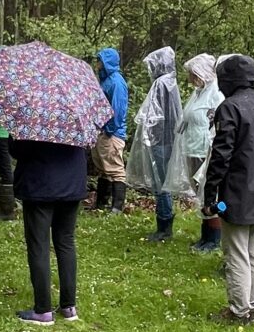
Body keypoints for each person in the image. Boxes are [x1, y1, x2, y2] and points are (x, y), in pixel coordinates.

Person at [205, 54, 254, 323]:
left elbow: (221, 154)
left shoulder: (229, 108)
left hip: (235, 194)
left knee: (236, 252)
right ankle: (253, 306)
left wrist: (211, 193)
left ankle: (239, 311)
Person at [13, 136, 88, 324]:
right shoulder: (76, 112)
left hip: (40, 185)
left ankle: (43, 310)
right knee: (66, 242)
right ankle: (69, 307)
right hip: (72, 183)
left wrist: (12, 138)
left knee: (39, 245)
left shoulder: (33, 115)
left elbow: (17, 150)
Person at [129, 46, 187, 243]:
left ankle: (164, 226)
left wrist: (147, 134)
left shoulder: (161, 84)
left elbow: (151, 115)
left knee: (160, 184)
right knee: (163, 183)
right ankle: (164, 223)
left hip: (160, 141)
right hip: (168, 140)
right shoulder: (170, 82)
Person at [178, 53, 225, 254]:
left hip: (206, 151)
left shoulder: (216, 93)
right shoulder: (198, 92)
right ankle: (205, 235)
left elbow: (219, 122)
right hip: (192, 147)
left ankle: (214, 239)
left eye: (192, 73)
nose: (190, 78)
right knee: (199, 193)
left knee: (210, 194)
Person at [91, 47, 129, 212]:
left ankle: (117, 207)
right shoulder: (106, 80)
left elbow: (118, 110)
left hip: (111, 133)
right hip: (102, 131)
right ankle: (101, 203)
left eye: (99, 60)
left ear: (106, 62)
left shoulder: (116, 82)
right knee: (104, 169)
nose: (97, 63)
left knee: (115, 169)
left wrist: (109, 130)